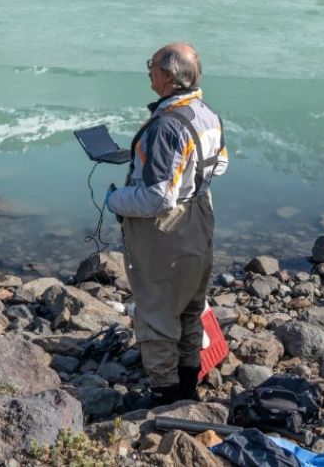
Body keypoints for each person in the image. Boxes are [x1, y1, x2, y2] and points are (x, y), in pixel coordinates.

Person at [106, 42, 228, 406]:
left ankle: (164, 394)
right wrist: (190, 181)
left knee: (156, 311)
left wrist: (115, 199)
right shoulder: (206, 113)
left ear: (170, 77)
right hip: (199, 217)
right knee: (191, 305)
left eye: (153, 65)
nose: (149, 69)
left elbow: (158, 198)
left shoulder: (166, 126)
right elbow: (220, 164)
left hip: (168, 230)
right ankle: (188, 387)